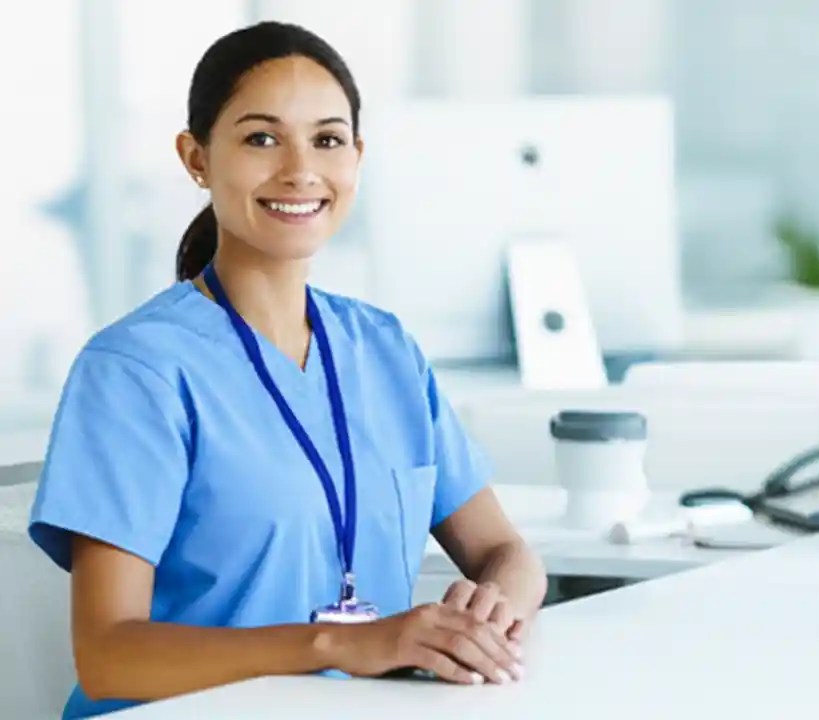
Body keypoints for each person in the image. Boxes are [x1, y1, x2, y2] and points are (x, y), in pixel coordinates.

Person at [27, 21, 546, 719]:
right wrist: (336, 645)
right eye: (261, 138)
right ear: (196, 158)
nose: (300, 169)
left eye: (328, 139)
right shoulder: (135, 371)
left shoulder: (385, 349)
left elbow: (507, 551)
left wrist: (490, 613)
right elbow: (109, 654)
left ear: (356, 157)